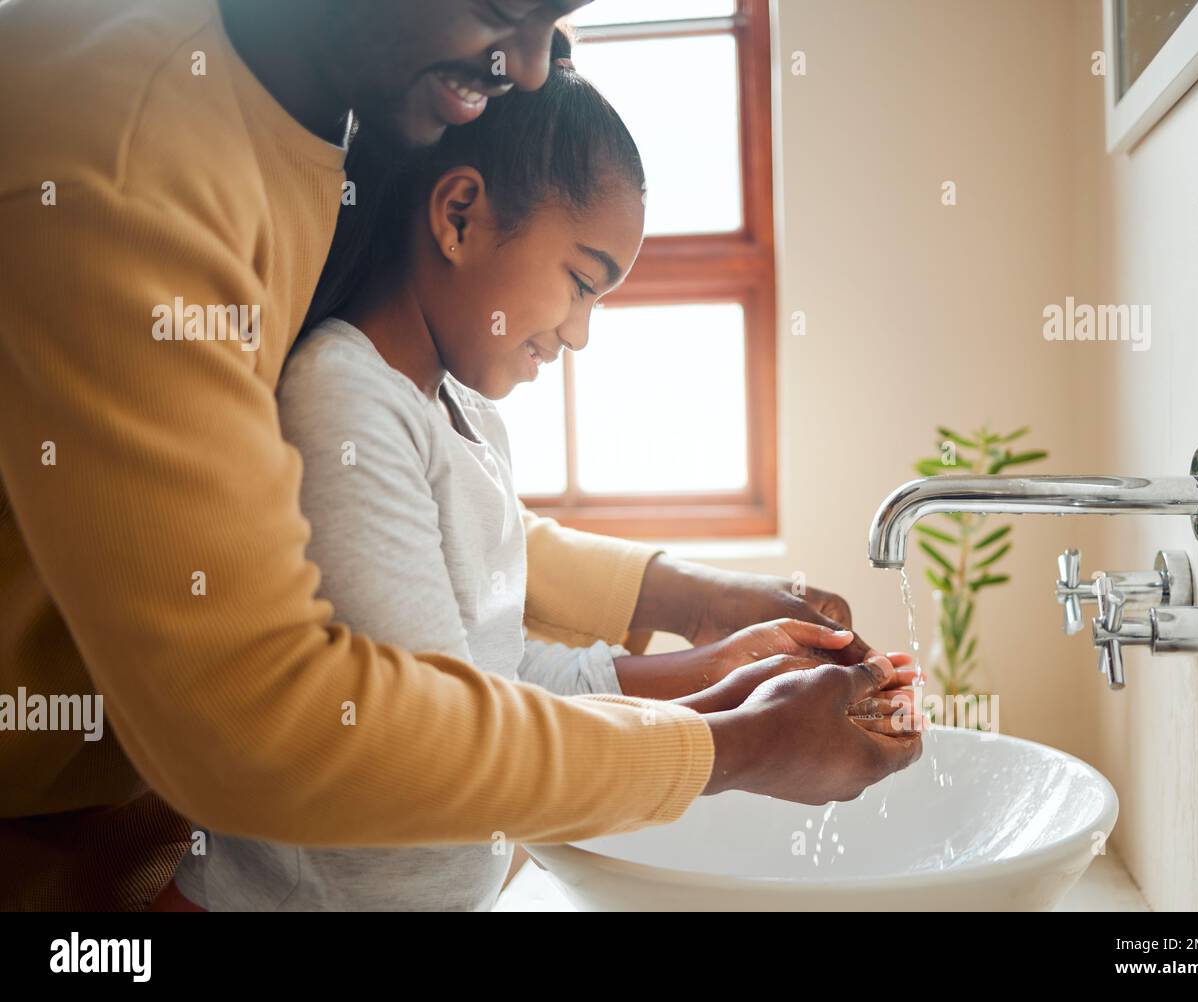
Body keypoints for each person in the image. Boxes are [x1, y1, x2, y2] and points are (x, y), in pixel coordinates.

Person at [0, 0, 920, 911]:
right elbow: (275, 717)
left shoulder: (377, 214)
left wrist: (708, 638)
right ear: (458, 215)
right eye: (502, 11)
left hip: (138, 813)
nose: (526, 66)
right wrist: (738, 744)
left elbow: (459, 621)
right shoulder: (140, 166)